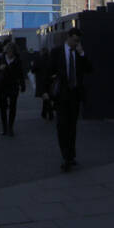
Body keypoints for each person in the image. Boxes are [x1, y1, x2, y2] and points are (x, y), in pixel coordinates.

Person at [48, 31, 92, 171]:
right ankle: (66, 157)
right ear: (68, 38)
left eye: (78, 41)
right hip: (61, 95)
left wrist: (82, 53)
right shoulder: (57, 52)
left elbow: (89, 69)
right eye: (74, 40)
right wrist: (44, 92)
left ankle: (71, 155)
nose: (76, 43)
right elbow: (48, 71)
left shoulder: (79, 53)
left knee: (72, 126)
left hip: (75, 95)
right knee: (62, 126)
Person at [0, 39, 26, 136]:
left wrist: (22, 85)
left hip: (13, 86)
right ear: (6, 51)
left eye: (12, 51)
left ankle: (10, 127)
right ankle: (4, 128)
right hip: (2, 86)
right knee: (3, 108)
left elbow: (21, 73)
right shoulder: (1, 59)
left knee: (13, 107)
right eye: (9, 51)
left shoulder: (17, 60)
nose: (10, 53)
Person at [33, 50, 54, 120]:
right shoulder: (50, 59)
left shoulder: (38, 59)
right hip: (49, 80)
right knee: (47, 96)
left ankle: (49, 112)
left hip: (41, 80)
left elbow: (33, 69)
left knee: (45, 96)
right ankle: (44, 112)